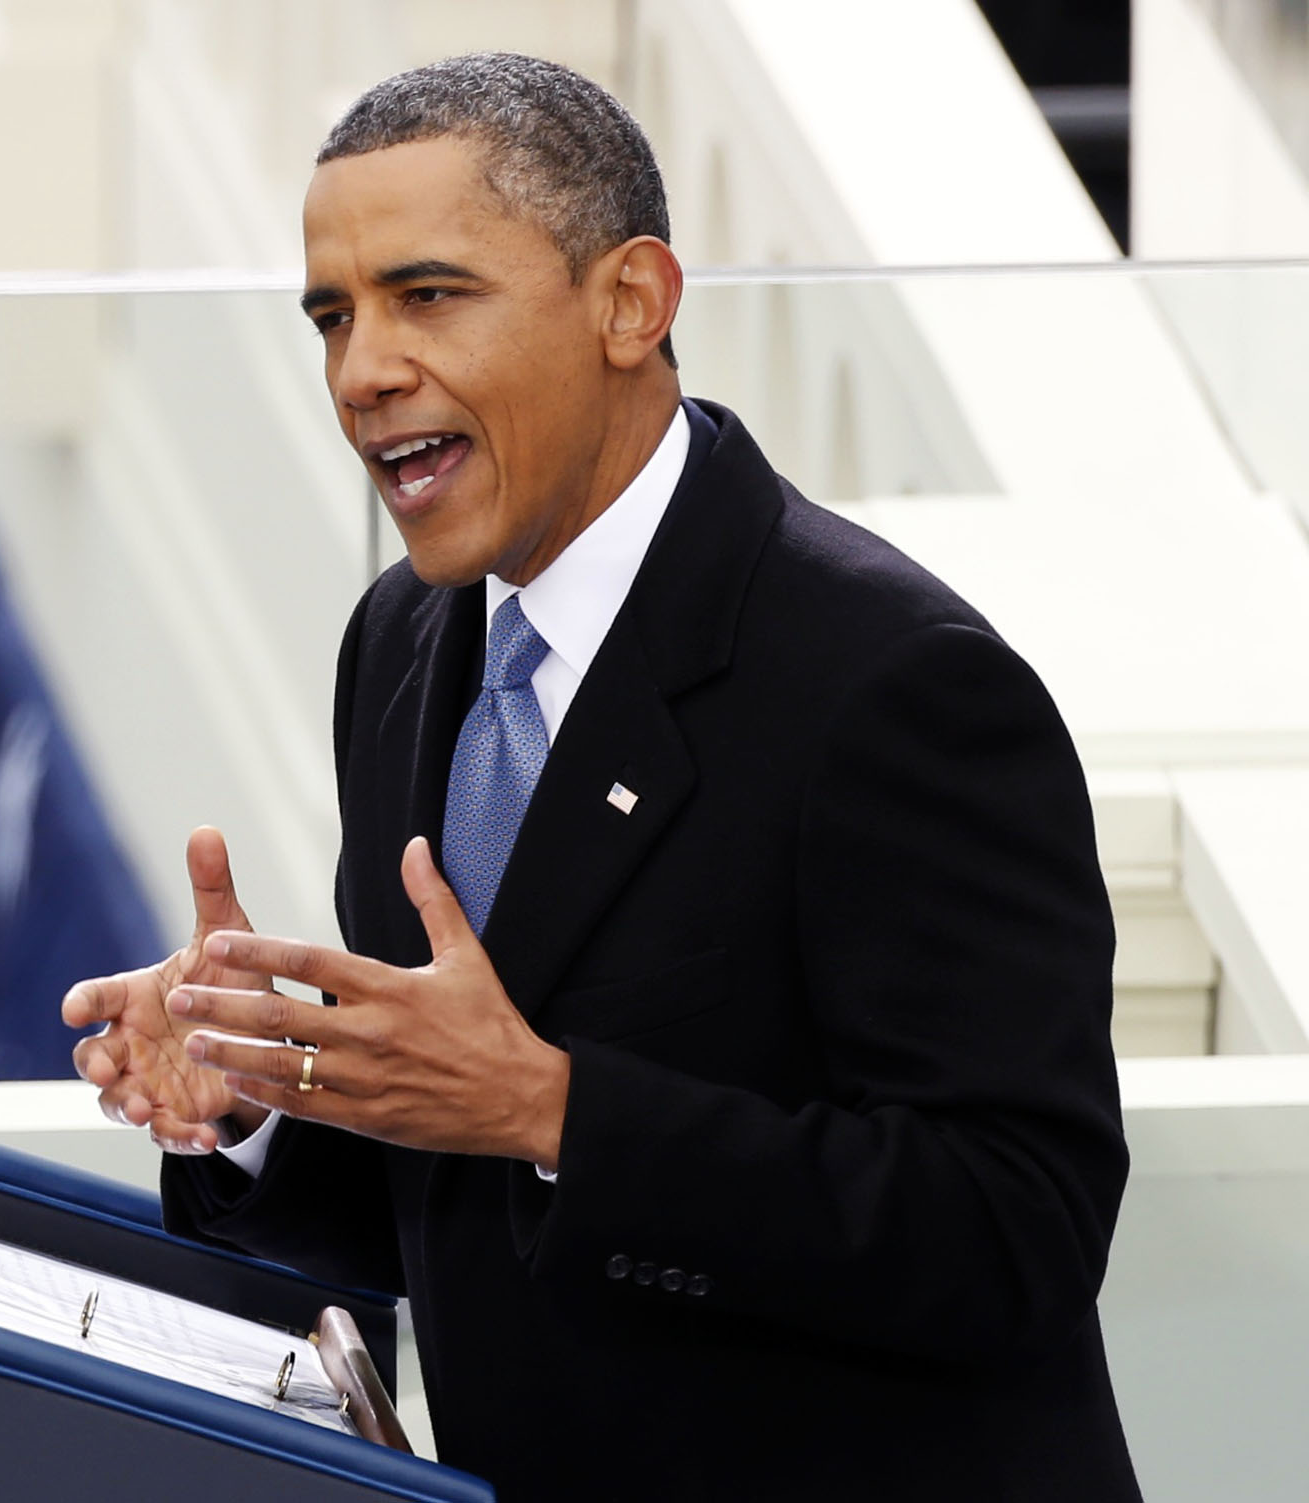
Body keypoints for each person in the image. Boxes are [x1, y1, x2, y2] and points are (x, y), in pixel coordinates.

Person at [61, 52, 1139, 1502]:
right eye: (333, 316)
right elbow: (449, 1203)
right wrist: (268, 1099)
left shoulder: (893, 682)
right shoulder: (398, 644)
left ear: (630, 302)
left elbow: (1017, 1230)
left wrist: (555, 1110)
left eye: (427, 296)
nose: (361, 371)